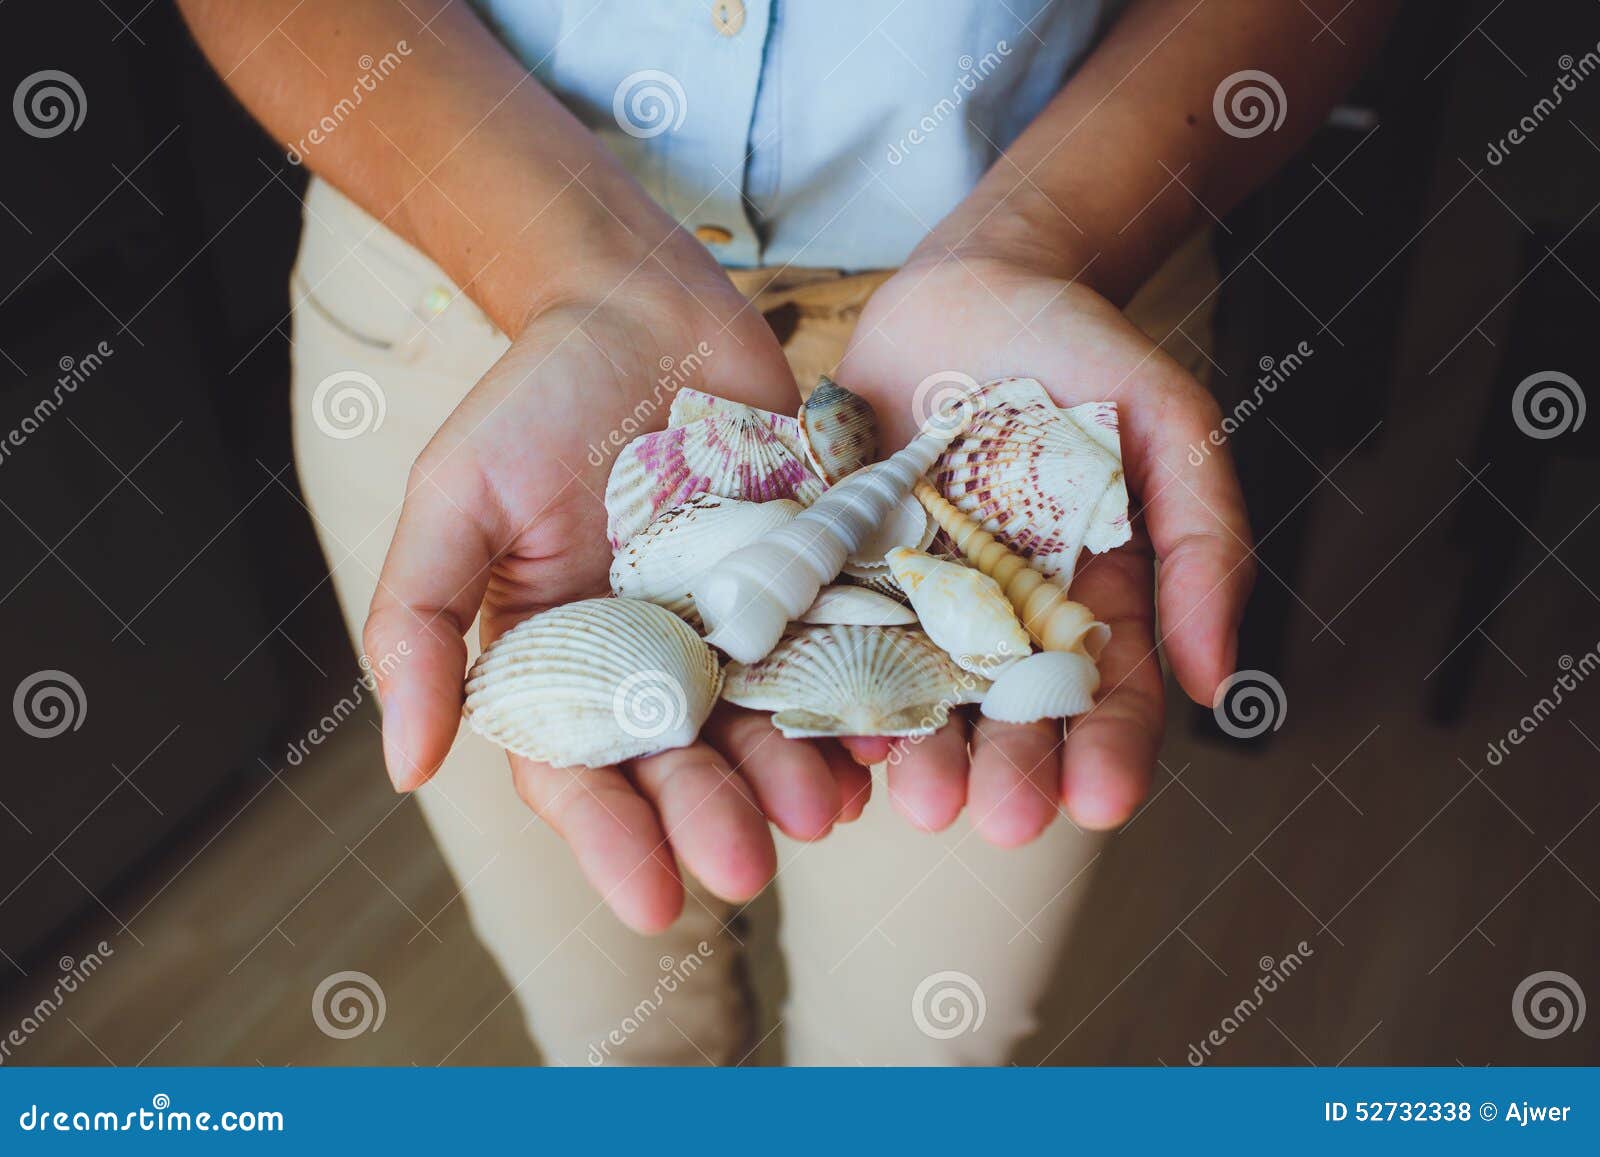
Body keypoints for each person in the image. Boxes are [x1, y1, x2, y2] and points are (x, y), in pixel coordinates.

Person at [178, 0, 1395, 1064]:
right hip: (475, 266)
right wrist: (589, 277)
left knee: (919, 1061)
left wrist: (1038, 243)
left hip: (1041, 300)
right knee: (615, 1048)